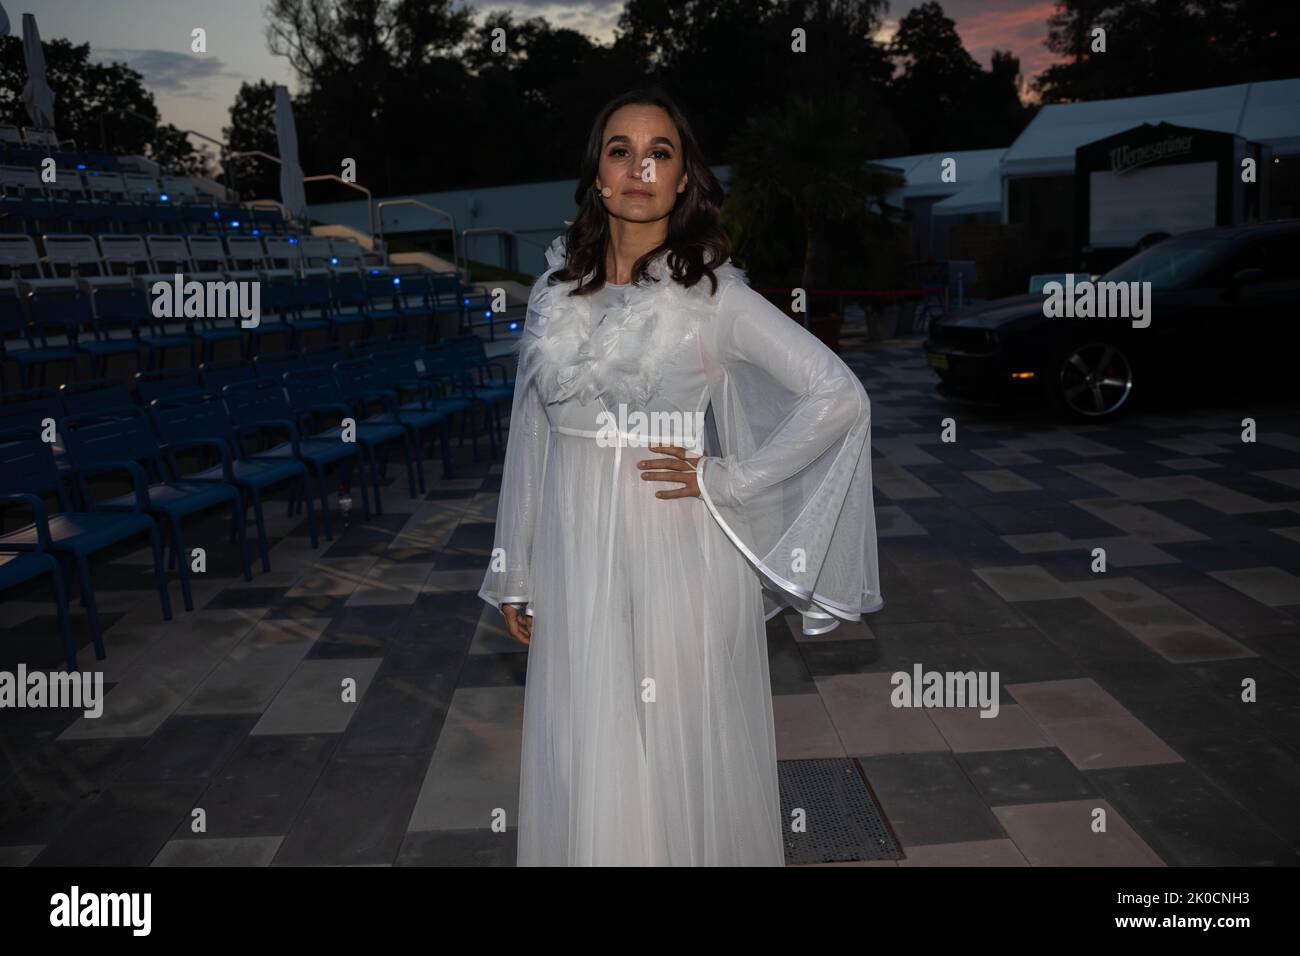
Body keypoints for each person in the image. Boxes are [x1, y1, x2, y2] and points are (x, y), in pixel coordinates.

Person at [479, 86, 881, 866]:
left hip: (679, 561)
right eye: (620, 151)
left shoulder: (714, 299)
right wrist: (516, 566)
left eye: (659, 152)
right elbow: (530, 434)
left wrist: (729, 480)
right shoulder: (553, 292)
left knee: (672, 755)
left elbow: (839, 395)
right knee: (589, 748)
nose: (639, 167)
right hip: (574, 561)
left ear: (684, 178)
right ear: (597, 175)